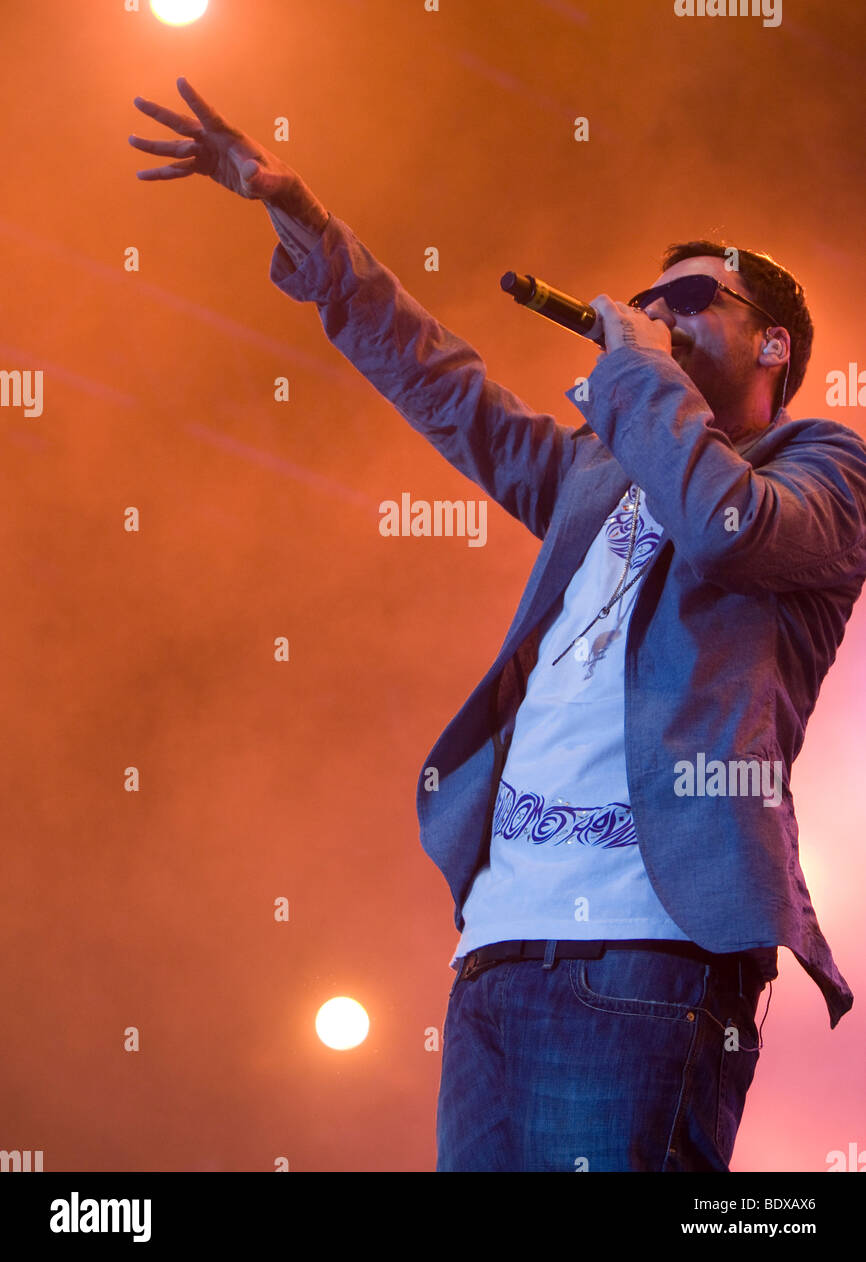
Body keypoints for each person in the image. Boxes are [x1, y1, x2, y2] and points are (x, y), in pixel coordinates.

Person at [129, 79, 866, 1172]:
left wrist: (634, 375)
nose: (658, 315)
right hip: (499, 946)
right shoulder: (592, 471)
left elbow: (721, 529)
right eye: (647, 302)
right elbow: (443, 386)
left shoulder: (822, 466)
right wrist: (308, 227)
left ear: (772, 350)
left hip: (648, 946)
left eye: (691, 300)